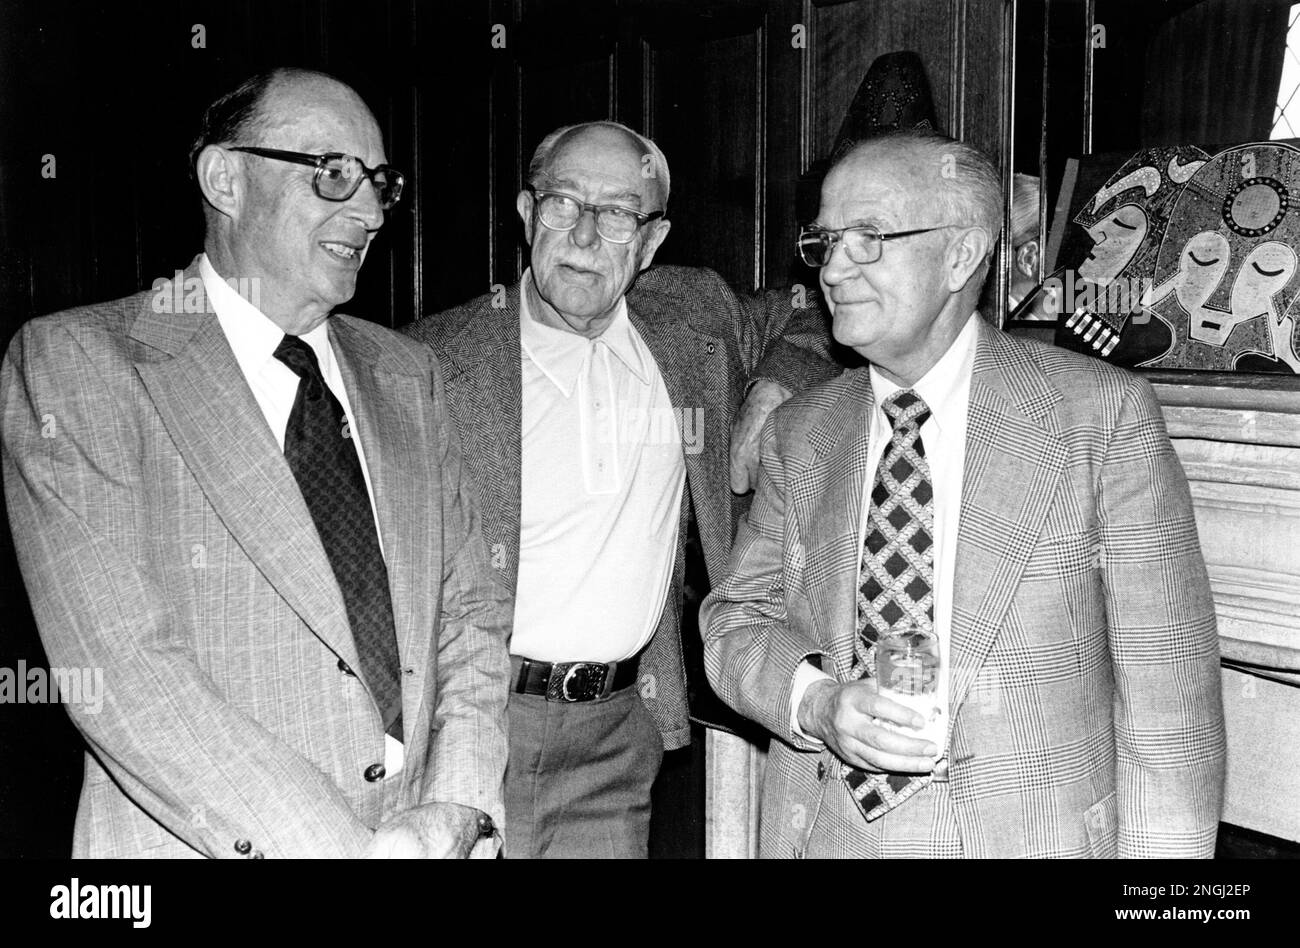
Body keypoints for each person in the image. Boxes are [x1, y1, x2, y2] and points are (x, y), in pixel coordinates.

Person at [0, 68, 510, 858]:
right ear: (224, 179)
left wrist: (460, 806)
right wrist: (357, 853)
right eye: (333, 173)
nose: (371, 212)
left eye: (380, 183)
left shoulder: (408, 373)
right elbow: (126, 676)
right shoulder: (82, 363)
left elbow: (470, 612)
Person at [701, 128, 1226, 858]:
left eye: (869, 237)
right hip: (828, 834)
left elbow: (1170, 702)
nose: (834, 269)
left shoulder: (1100, 416)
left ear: (961, 255)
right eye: (825, 241)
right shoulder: (801, 430)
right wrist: (815, 702)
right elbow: (735, 618)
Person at [404, 120, 837, 858]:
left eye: (616, 215)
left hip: (618, 736)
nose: (582, 235)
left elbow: (813, 312)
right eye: (563, 203)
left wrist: (774, 385)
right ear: (526, 213)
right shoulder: (432, 360)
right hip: (476, 728)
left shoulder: (690, 319)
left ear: (651, 240)